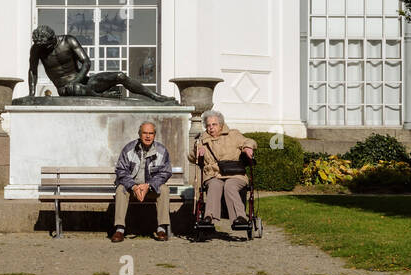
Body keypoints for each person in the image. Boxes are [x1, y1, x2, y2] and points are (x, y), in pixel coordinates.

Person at [27, 25, 175, 102]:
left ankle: (156, 97)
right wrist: (31, 94)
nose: (44, 49)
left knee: (120, 76)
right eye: (41, 47)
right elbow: (32, 71)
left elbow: (86, 63)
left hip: (83, 82)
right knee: (76, 89)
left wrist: (77, 80)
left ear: (53, 38)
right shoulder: (37, 49)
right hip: (66, 89)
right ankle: (104, 96)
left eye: (47, 45)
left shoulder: (68, 40)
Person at [112, 121, 173, 242]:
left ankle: (161, 228)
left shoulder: (162, 151)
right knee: (120, 189)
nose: (148, 136)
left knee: (164, 190)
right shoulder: (129, 149)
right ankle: (119, 230)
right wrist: (134, 186)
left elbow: (165, 172)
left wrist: (149, 185)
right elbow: (121, 171)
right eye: (145, 133)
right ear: (140, 134)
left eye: (151, 133)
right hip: (132, 188)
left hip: (151, 188)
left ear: (154, 135)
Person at [195, 111, 256, 231]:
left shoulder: (233, 135)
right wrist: (197, 151)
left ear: (221, 125)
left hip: (235, 174)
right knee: (214, 185)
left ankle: (240, 217)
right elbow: (192, 158)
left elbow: (249, 141)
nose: (211, 128)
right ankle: (208, 217)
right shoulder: (202, 139)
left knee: (230, 185)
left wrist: (248, 147)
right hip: (214, 175)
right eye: (208, 125)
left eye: (214, 124)